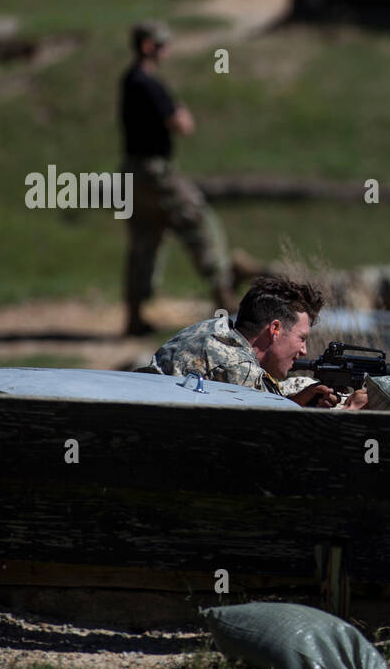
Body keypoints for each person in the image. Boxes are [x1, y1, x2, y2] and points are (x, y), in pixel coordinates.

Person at [120, 20, 238, 336]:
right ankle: (224, 298)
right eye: (163, 45)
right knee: (200, 224)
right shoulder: (150, 84)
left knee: (144, 239)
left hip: (132, 172)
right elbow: (182, 124)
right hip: (157, 173)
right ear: (149, 47)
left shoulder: (129, 80)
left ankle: (134, 315)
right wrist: (181, 111)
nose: (168, 51)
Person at [138, 276, 368, 409]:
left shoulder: (215, 330)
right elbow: (275, 436)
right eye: (302, 338)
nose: (304, 351)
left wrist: (297, 401)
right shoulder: (236, 367)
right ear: (275, 329)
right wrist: (350, 411)